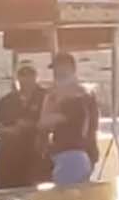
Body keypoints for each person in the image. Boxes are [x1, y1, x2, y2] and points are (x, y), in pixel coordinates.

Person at [41, 51, 100, 185]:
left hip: (74, 154)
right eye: (55, 68)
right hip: (65, 153)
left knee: (68, 197)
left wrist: (52, 102)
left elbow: (45, 122)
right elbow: (44, 124)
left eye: (60, 67)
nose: (56, 72)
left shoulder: (81, 95)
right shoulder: (57, 94)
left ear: (71, 68)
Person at [0, 63, 47, 188]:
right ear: (17, 78)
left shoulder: (46, 97)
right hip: (9, 159)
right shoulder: (6, 101)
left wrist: (31, 126)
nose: (26, 79)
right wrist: (12, 131)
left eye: (30, 75)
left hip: (36, 158)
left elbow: (52, 124)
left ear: (36, 77)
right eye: (22, 75)